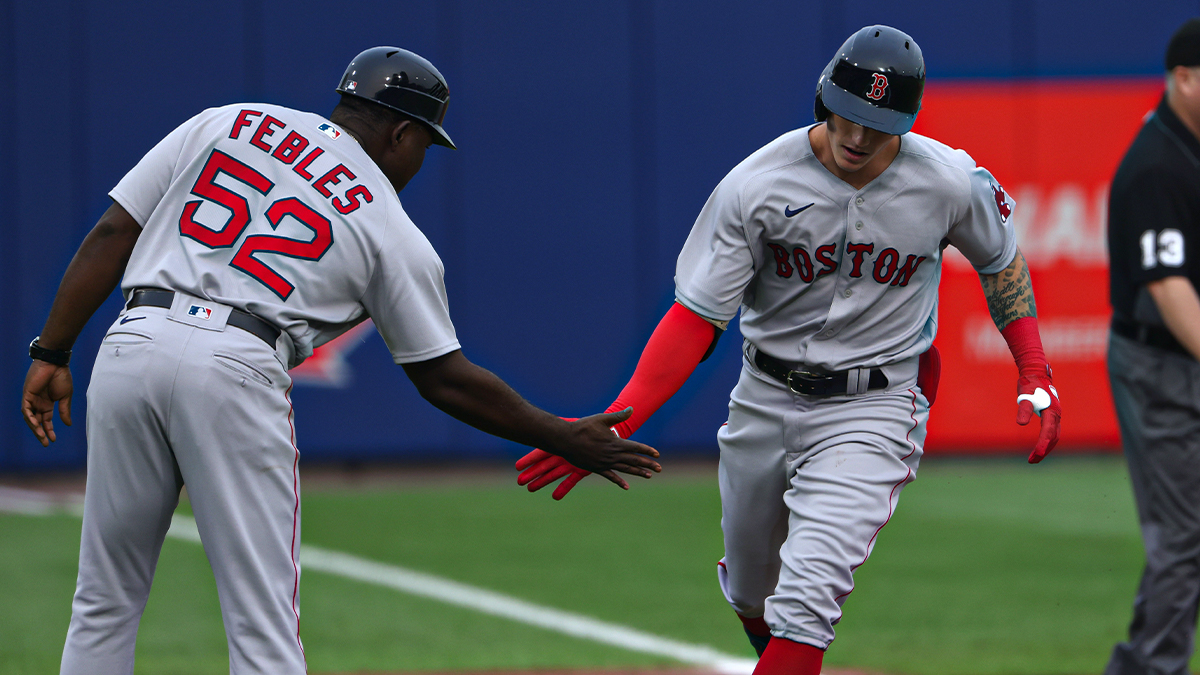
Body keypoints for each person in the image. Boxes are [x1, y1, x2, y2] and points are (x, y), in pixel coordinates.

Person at [19, 46, 661, 675]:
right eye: (424, 145)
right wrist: (561, 434)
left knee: (104, 597)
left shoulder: (227, 121)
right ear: (402, 133)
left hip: (134, 339)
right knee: (262, 617)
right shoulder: (389, 225)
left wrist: (52, 349)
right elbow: (444, 379)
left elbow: (113, 232)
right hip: (236, 363)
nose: (419, 160)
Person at [515, 25, 1062, 674]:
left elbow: (1001, 261)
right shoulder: (756, 185)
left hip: (876, 403)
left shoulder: (947, 180)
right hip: (765, 397)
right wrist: (625, 412)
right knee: (753, 592)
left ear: (907, 121)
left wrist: (1034, 365)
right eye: (847, 115)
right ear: (823, 97)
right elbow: (696, 319)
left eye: (877, 123)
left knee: (807, 598)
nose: (857, 135)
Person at [1105, 17, 1200, 675]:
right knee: (1184, 540)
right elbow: (1170, 290)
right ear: (1185, 80)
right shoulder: (1156, 164)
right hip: (1160, 363)